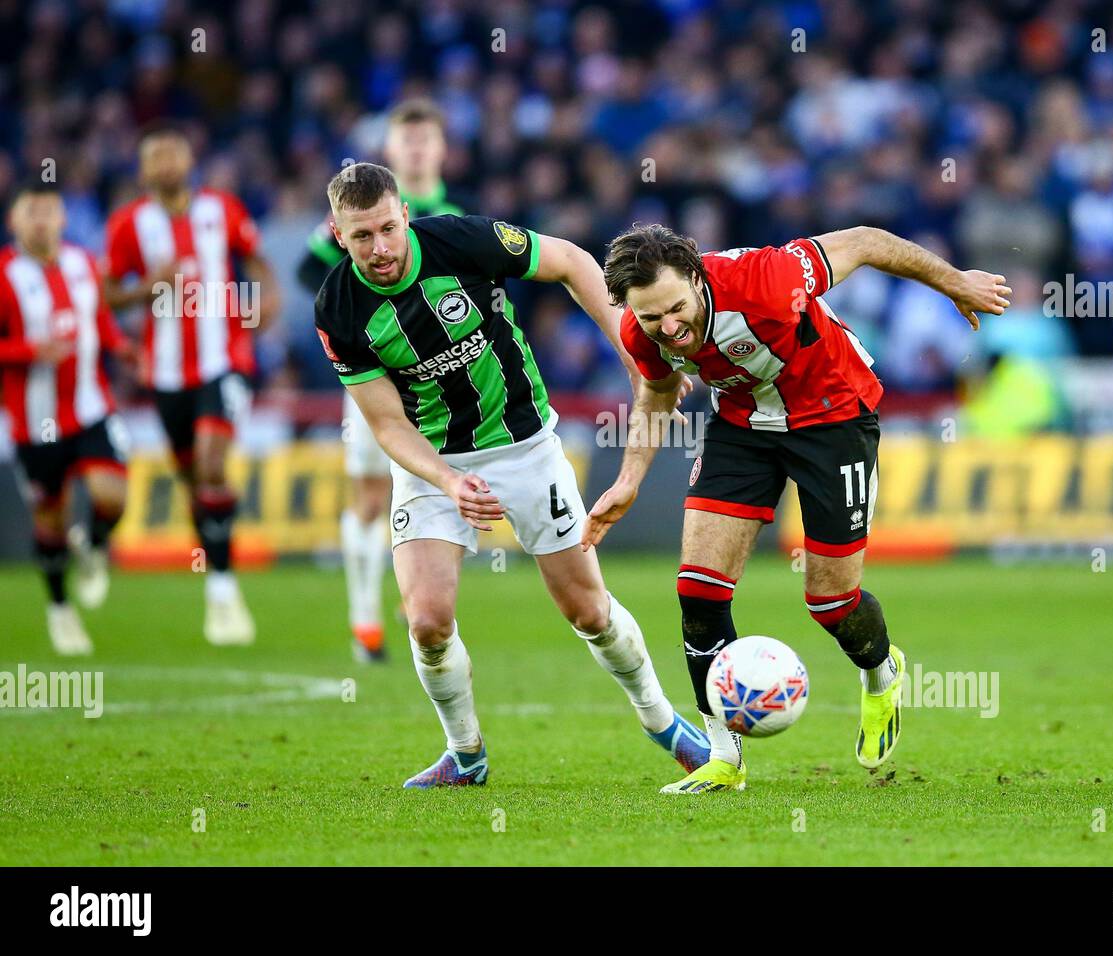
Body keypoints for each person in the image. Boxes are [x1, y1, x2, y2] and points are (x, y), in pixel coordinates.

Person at [312, 162, 708, 787]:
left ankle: (662, 722)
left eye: (388, 228)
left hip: (526, 449)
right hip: (432, 467)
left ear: (405, 215)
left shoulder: (463, 241)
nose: (380, 247)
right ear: (338, 234)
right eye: (363, 236)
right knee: (427, 620)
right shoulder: (338, 308)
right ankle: (465, 754)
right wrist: (446, 481)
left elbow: (576, 263)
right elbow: (387, 424)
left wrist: (637, 360)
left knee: (588, 611)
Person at [583, 223, 1011, 793]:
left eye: (676, 309)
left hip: (834, 415)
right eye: (651, 317)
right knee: (698, 590)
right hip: (742, 425)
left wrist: (955, 282)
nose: (669, 328)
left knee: (831, 601)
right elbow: (657, 391)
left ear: (696, 276)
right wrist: (630, 479)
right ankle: (723, 758)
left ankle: (882, 673)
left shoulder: (767, 278)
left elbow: (864, 242)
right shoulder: (643, 331)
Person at [296, 98, 464, 663]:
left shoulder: (452, 214)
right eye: (406, 139)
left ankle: (415, 595)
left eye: (426, 139)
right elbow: (304, 270)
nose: (416, 148)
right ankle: (364, 620)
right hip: (376, 382)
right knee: (371, 495)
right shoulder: (359, 213)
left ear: (442, 147)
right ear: (390, 148)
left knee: (452, 490)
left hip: (445, 385)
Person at [104, 123, 280, 646]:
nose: (164, 163)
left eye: (171, 153)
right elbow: (108, 292)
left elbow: (260, 266)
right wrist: (145, 291)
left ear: (188, 159)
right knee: (191, 482)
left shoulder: (221, 210)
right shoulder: (128, 225)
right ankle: (216, 576)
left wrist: (264, 305)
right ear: (142, 169)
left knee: (210, 462)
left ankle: (224, 591)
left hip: (223, 360)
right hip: (165, 372)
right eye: (153, 156)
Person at [0, 180, 130, 655]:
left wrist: (121, 347)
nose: (41, 219)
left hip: (91, 408)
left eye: (49, 210)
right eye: (30, 211)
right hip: (35, 424)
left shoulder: (81, 264)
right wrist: (28, 351)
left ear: (62, 217)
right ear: (14, 220)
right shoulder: (4, 274)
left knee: (112, 497)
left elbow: (99, 322)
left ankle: (95, 545)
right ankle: (59, 609)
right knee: (50, 518)